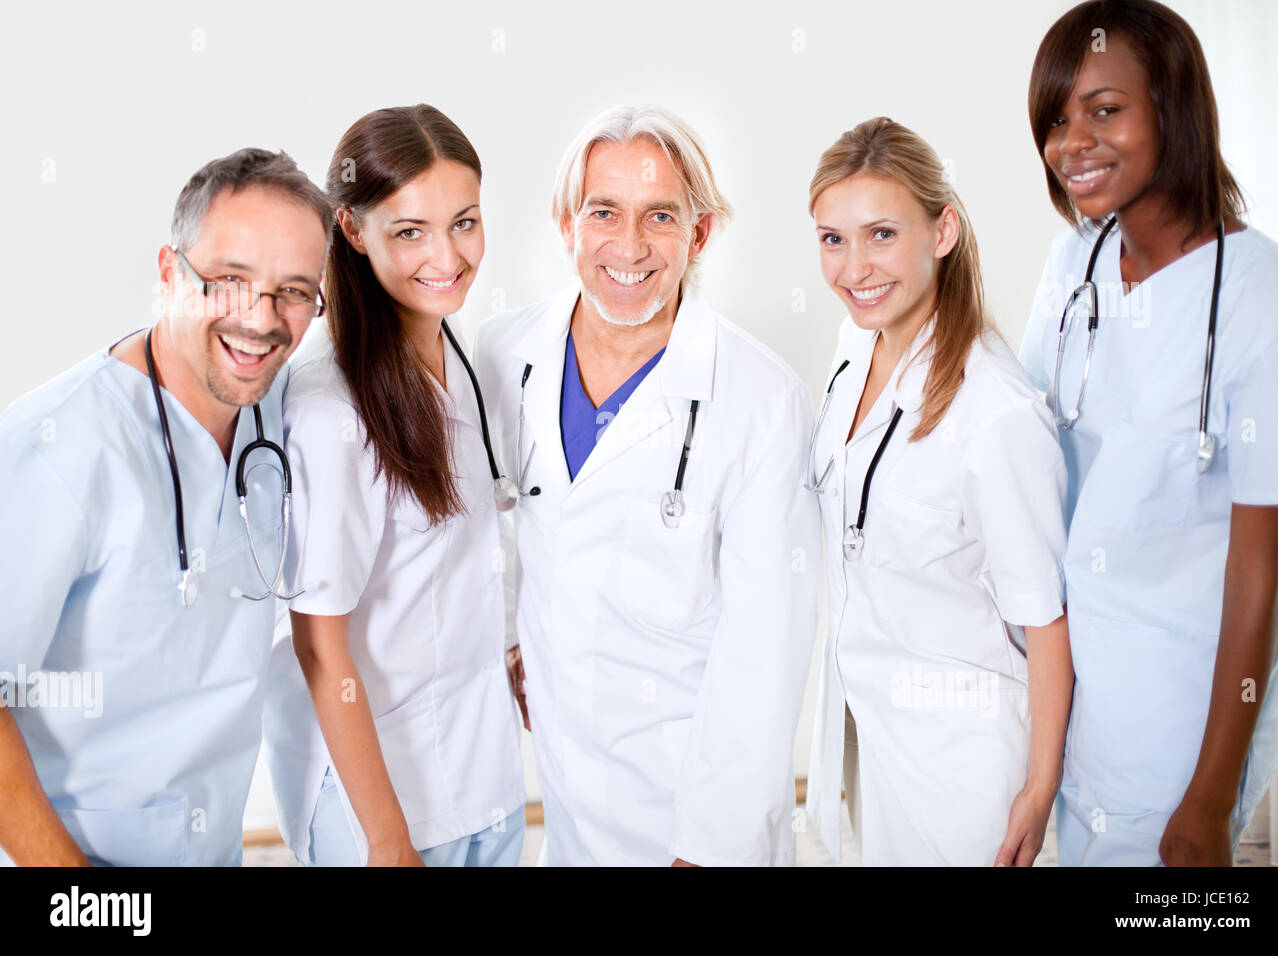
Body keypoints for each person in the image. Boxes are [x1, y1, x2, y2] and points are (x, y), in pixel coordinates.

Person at [474, 105, 820, 866]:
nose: (629, 247)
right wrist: (507, 640)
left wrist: (711, 845)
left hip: (694, 801)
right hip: (564, 790)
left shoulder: (763, 398)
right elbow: (488, 523)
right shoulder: (503, 356)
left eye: (659, 216)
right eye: (605, 212)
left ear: (698, 235)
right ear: (568, 224)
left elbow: (766, 648)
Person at [1021, 0, 1278, 866]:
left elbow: (1261, 568)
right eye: (1056, 120)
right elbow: (1024, 429)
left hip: (1182, 720)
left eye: (1105, 110)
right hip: (1071, 698)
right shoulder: (1075, 263)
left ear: (1174, 108)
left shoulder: (1269, 302)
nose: (1073, 143)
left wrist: (1210, 799)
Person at [0, 148, 331, 866]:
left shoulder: (280, 419)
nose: (260, 319)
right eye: (230, 280)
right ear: (167, 273)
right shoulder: (56, 448)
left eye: (294, 291)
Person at [802, 118, 1073, 866]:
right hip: (875, 737)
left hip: (968, 762)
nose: (853, 267)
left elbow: (1046, 621)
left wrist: (1038, 787)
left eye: (881, 234)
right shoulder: (856, 344)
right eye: (832, 238)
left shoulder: (996, 414)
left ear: (942, 230)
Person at [261, 105, 527, 867]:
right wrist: (386, 842)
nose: (447, 256)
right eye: (409, 231)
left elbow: (466, 546)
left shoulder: (454, 348)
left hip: (485, 777)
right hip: (384, 807)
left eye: (465, 222)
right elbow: (320, 648)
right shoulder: (329, 404)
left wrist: (506, 645)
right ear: (351, 229)